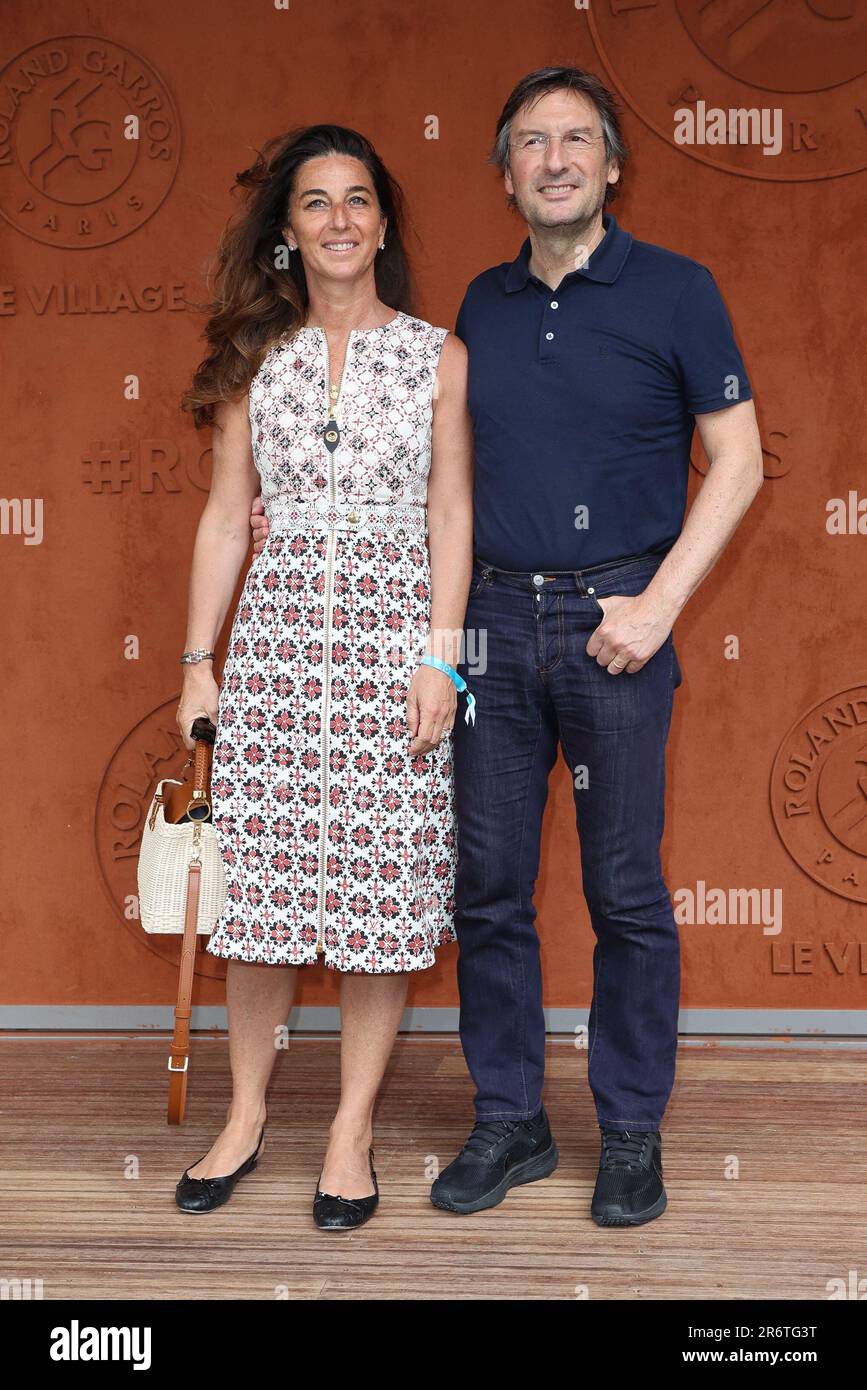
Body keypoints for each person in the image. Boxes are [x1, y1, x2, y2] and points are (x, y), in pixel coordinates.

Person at [251, 66, 763, 1228]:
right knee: (486, 889)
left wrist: (659, 603)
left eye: (577, 138)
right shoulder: (472, 311)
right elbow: (421, 468)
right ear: (506, 174)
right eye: (531, 142)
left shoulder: (679, 292)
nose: (556, 158)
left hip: (617, 621)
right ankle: (510, 1119)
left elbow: (740, 462)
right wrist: (296, 498)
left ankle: (630, 1130)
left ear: (613, 164)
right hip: (485, 626)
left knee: (624, 888)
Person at [174, 123, 473, 1226]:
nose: (340, 218)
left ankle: (350, 1130)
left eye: (359, 199)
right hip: (278, 654)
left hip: (397, 648)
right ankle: (245, 1114)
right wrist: (200, 663)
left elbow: (453, 511)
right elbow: (222, 517)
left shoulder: (440, 355)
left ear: (384, 224)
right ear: (287, 233)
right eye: (316, 202)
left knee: (382, 892)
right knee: (261, 899)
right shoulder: (259, 362)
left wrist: (442, 653)